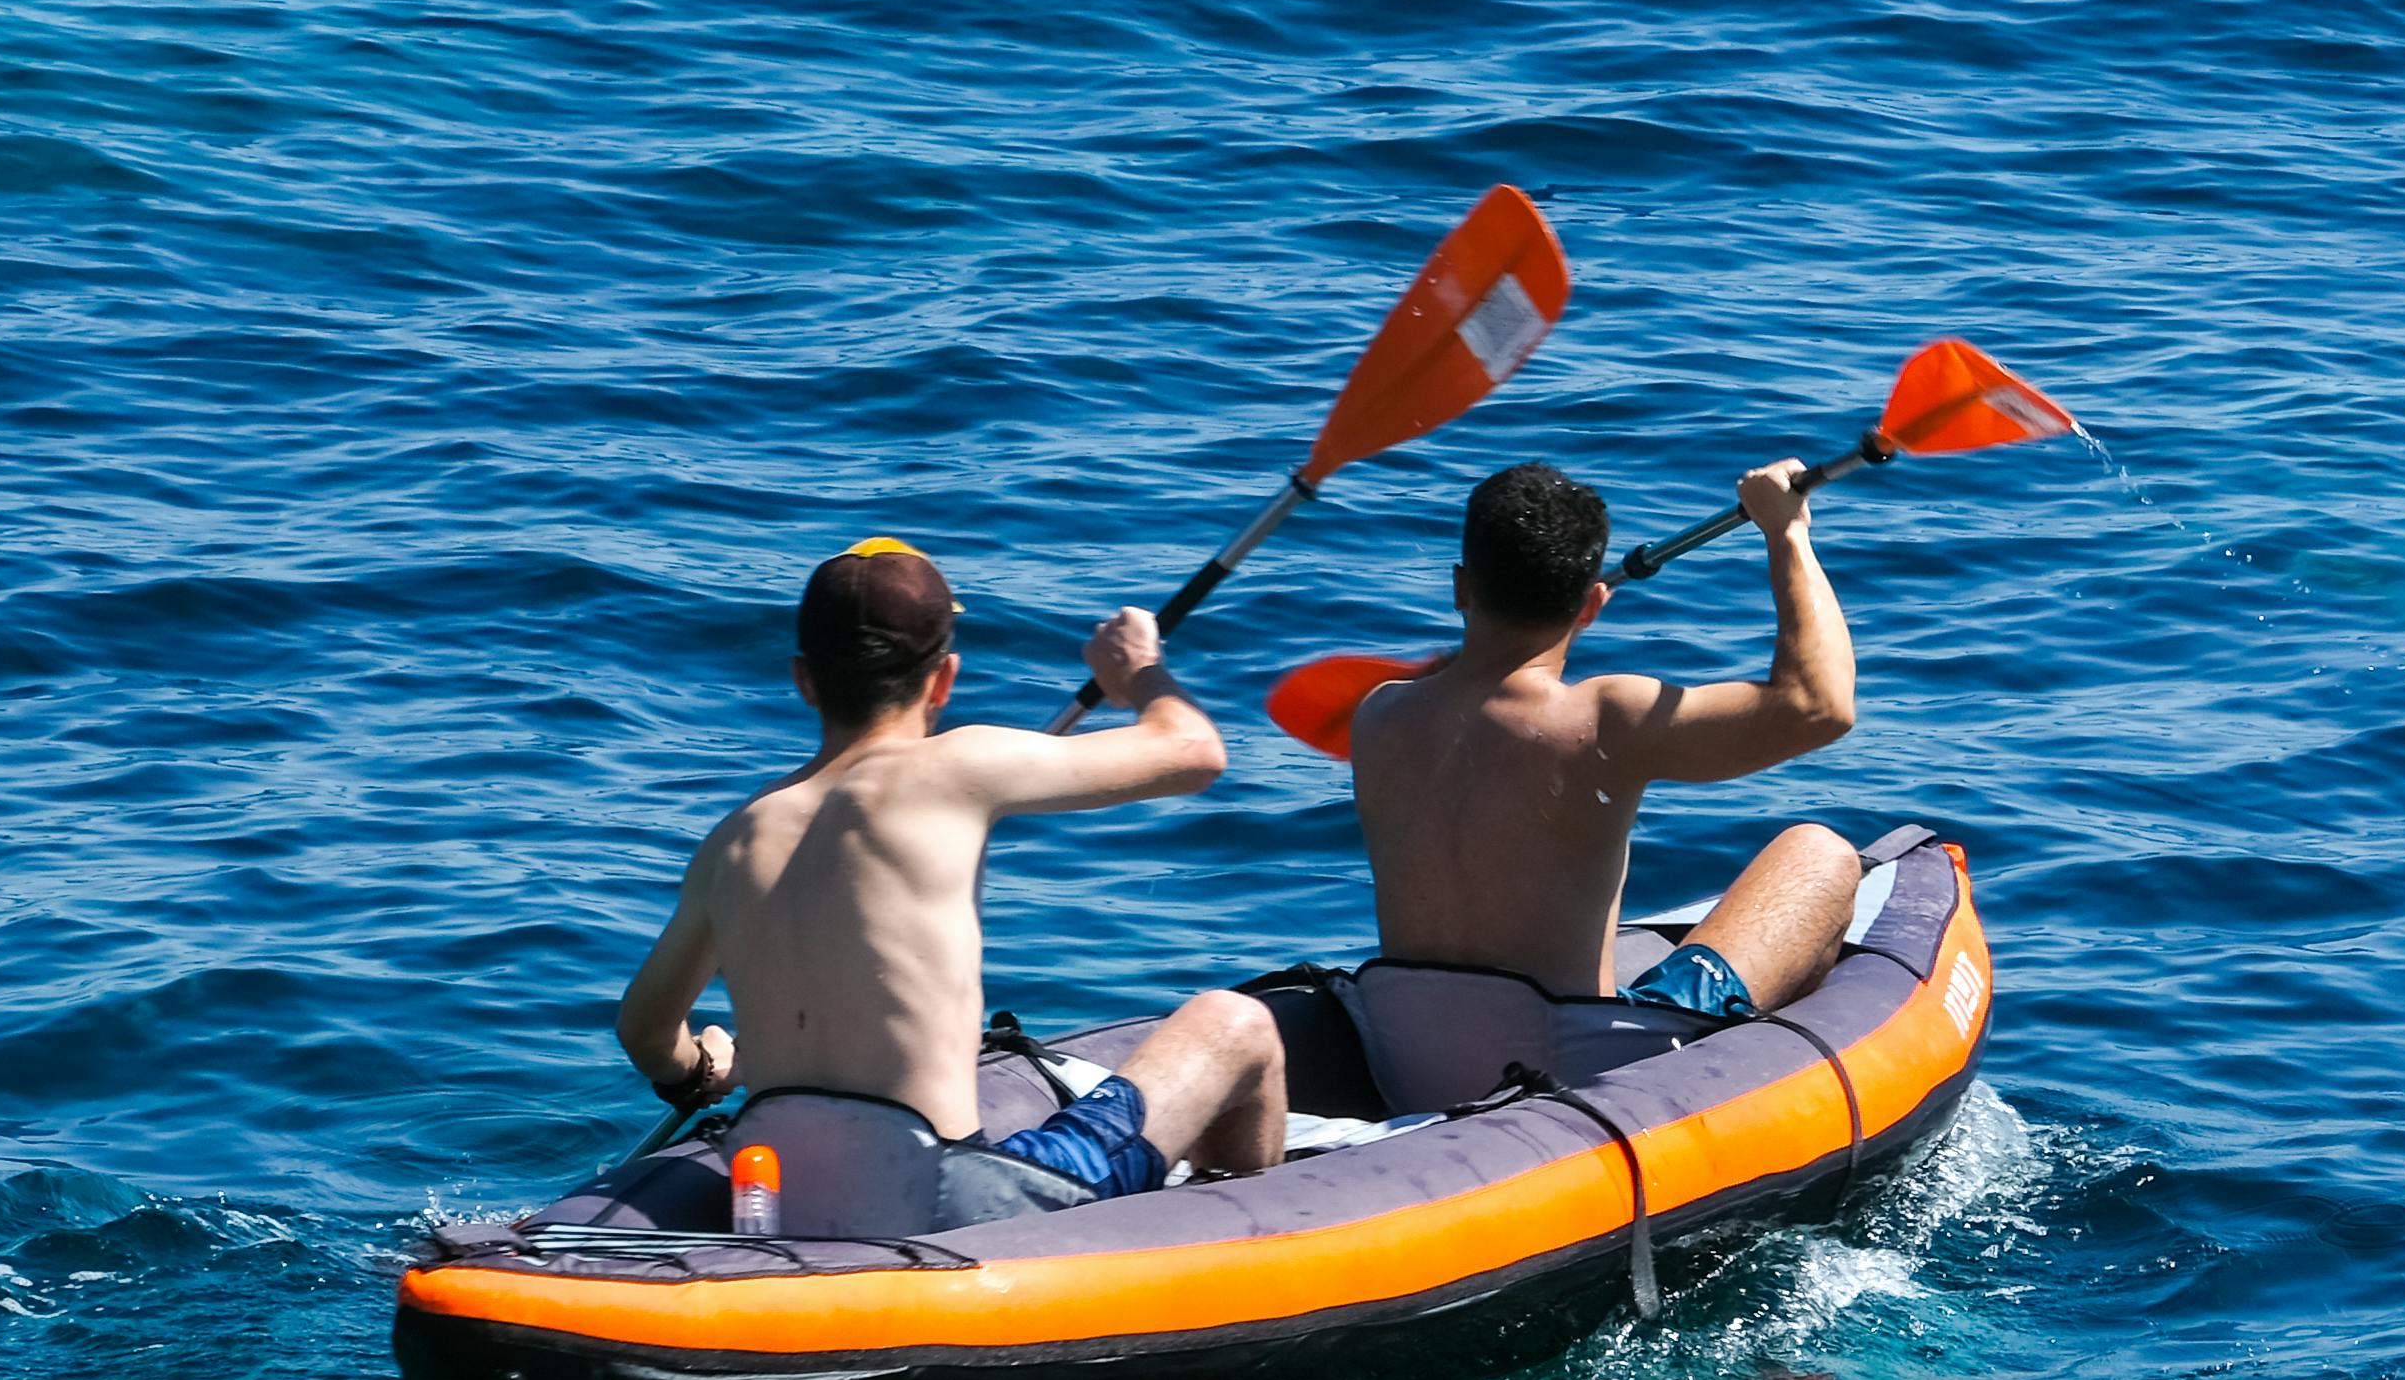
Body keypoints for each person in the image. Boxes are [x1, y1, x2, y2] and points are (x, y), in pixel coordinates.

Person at [616, 539, 1294, 1237]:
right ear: (944, 678)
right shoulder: (954, 766)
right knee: (1236, 1025)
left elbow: (644, 1030)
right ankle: (1244, 1258)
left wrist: (703, 1068)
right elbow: (1194, 752)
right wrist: (1139, 672)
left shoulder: (736, 837)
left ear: (804, 679)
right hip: (948, 1200)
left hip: (780, 1196)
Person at [1330, 458, 1859, 1102]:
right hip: (1567, 1075)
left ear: (1461, 587)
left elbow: (1470, 697)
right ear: (1593, 604)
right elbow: (1819, 706)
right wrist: (1787, 534)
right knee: (1819, 855)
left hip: (1407, 1066)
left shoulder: (1380, 714)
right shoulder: (1604, 718)